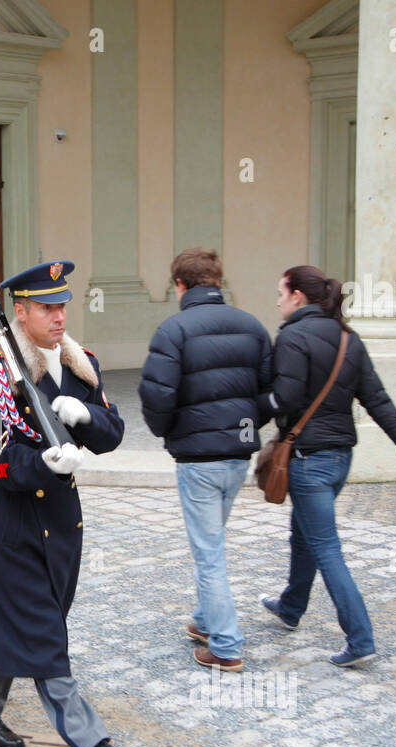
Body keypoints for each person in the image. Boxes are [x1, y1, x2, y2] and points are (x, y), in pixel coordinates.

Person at [0, 260, 141, 747]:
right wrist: (41, 464)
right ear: (20, 312)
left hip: (62, 522)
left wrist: (85, 418)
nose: (59, 316)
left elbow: (112, 432)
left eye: (63, 305)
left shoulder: (80, 364)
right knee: (42, 634)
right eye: (47, 308)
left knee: (20, 619)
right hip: (11, 522)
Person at [262, 265, 396, 667]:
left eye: (281, 292)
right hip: (339, 459)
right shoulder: (349, 339)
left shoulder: (293, 337)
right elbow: (377, 399)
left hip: (307, 459)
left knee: (326, 548)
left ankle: (360, 639)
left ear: (299, 295)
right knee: (305, 535)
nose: (278, 299)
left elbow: (282, 400)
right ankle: (290, 606)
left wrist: (243, 412)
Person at [139, 248, 275, 672]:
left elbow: (157, 395)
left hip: (198, 459)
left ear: (179, 284)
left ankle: (226, 645)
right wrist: (250, 425)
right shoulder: (252, 326)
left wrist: (169, 432)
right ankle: (203, 620)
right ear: (217, 280)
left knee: (209, 551)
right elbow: (270, 391)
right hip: (238, 457)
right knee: (211, 542)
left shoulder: (173, 330)